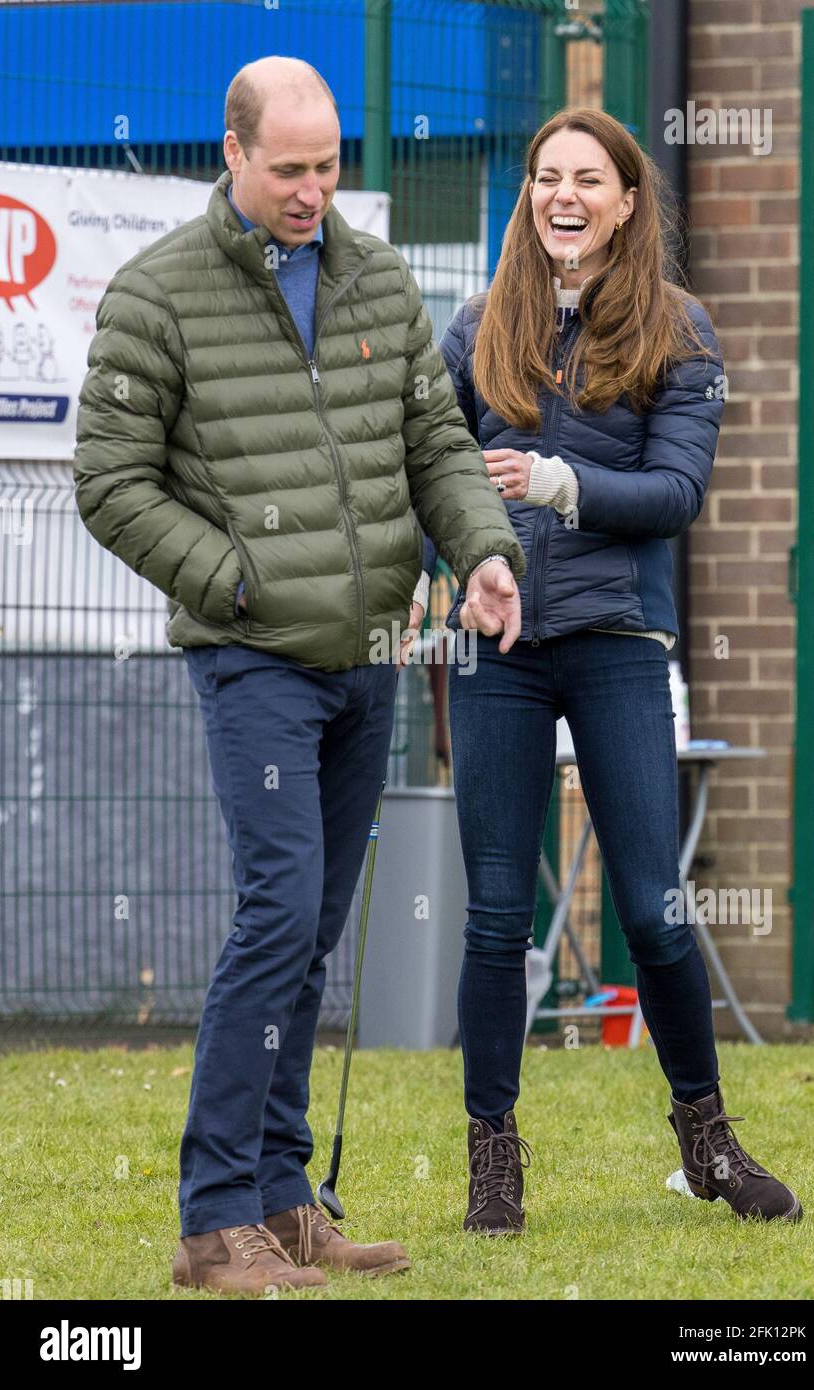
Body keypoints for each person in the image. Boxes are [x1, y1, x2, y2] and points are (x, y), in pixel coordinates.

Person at [73, 55, 526, 1296]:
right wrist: (233, 582)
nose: (311, 191)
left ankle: (284, 1198)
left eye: (328, 167)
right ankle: (214, 1220)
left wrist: (483, 552)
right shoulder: (156, 293)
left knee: (311, 928)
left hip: (365, 659)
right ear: (231, 154)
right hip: (253, 658)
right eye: (288, 169)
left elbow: (435, 441)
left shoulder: (376, 273)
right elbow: (109, 483)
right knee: (278, 911)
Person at [439, 107, 802, 1235]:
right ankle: (492, 1163)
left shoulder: (679, 331)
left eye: (586, 179)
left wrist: (556, 485)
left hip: (614, 647)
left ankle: (705, 1138)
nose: (563, 195)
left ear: (627, 199)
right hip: (496, 650)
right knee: (497, 917)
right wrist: (453, 566)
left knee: (650, 906)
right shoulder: (471, 328)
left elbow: (676, 496)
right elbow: (432, 473)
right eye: (545, 175)